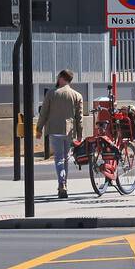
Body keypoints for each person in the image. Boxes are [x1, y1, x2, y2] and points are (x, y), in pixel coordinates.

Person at [37, 69, 84, 199]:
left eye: (58, 77)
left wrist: (39, 128)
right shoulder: (77, 95)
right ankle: (64, 184)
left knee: (59, 158)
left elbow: (44, 112)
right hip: (69, 131)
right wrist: (80, 133)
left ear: (62, 78)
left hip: (54, 129)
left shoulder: (52, 93)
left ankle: (61, 183)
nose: (57, 79)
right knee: (66, 158)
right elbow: (79, 117)